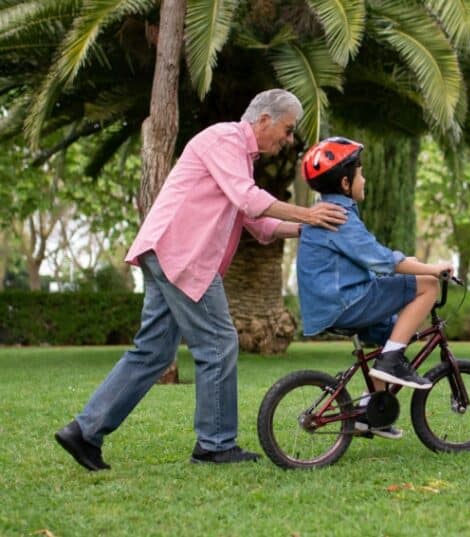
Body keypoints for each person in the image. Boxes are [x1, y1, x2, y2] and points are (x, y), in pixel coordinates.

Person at [54, 89, 348, 471]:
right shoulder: (224, 138)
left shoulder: (238, 159)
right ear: (263, 120)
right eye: (288, 129)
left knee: (153, 352)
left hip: (169, 253)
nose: (289, 140)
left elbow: (257, 223)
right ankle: (215, 445)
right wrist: (310, 213)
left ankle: (84, 431)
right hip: (183, 255)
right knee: (219, 342)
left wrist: (310, 230)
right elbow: (248, 200)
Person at [296, 136, 453, 439]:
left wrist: (408, 261)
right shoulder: (339, 216)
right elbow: (382, 261)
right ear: (345, 182)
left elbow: (370, 257)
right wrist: (432, 268)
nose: (365, 179)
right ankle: (392, 361)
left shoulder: (329, 211)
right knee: (428, 285)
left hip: (336, 303)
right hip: (347, 303)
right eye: (361, 173)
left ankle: (373, 412)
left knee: (390, 331)